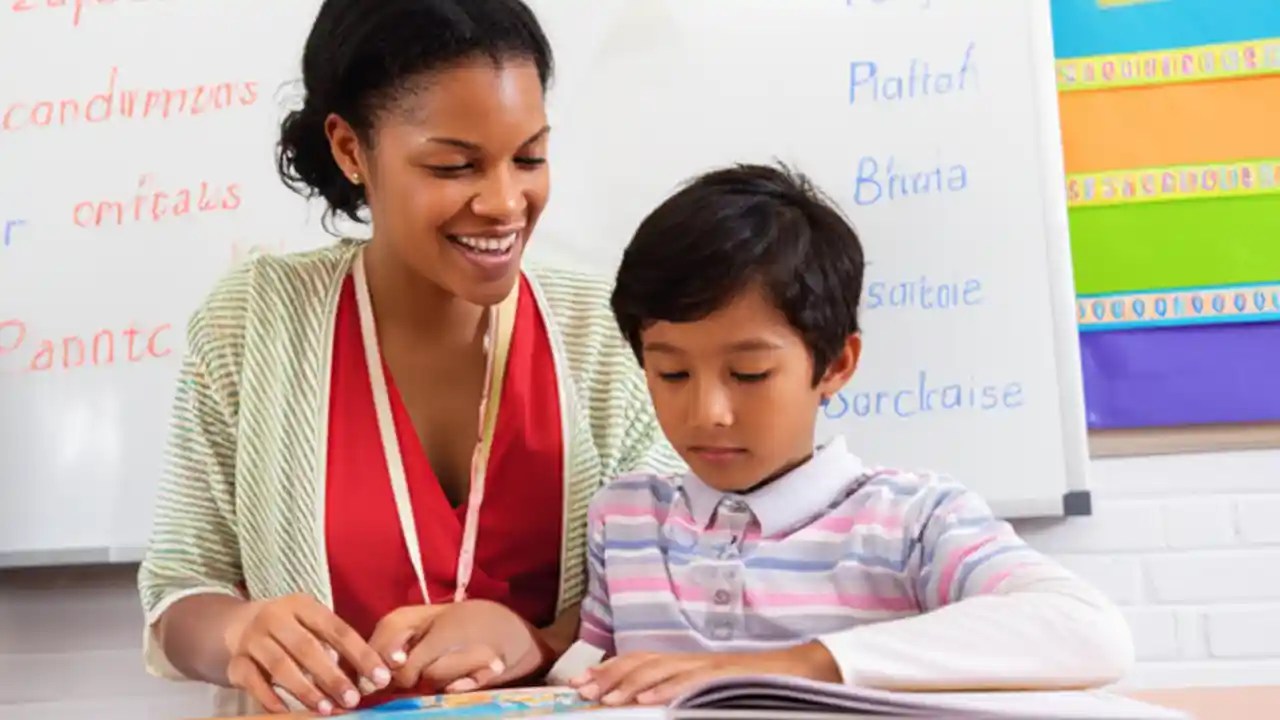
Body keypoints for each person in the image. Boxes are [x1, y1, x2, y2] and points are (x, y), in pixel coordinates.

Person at [135, 0, 682, 716]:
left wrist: (541, 642)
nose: (505, 201)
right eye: (455, 165)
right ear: (350, 149)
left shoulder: (599, 329)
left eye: (530, 157)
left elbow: (680, 587)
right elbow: (181, 586)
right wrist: (239, 631)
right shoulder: (254, 319)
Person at [561, 163, 1136, 706]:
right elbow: (591, 674)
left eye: (749, 374)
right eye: (672, 373)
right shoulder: (627, 517)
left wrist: (793, 665)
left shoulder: (911, 520)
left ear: (835, 364)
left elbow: (1089, 631)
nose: (708, 411)